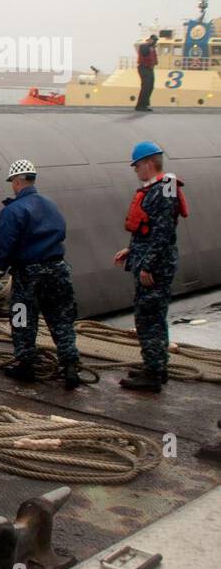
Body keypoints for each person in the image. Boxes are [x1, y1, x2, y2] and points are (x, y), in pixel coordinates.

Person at [0, 160, 82, 390]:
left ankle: (24, 363)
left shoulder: (13, 211)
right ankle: (69, 365)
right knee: (61, 319)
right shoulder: (50, 206)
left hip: (29, 274)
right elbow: (62, 231)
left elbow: (3, 247)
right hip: (58, 270)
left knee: (21, 318)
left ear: (17, 182)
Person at [114, 141, 188, 393]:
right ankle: (156, 366)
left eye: (137, 166)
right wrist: (132, 249)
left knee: (149, 319)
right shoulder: (156, 189)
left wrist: (147, 265)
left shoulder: (164, 189)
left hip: (156, 267)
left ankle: (153, 373)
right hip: (152, 260)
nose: (135, 171)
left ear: (148, 163)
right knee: (152, 317)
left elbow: (164, 232)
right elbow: (149, 229)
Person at [135, 34, 158, 112]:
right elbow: (144, 52)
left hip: (150, 68)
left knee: (150, 86)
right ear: (150, 40)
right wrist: (149, 46)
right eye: (154, 40)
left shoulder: (152, 48)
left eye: (155, 41)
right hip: (143, 67)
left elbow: (155, 60)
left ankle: (145, 104)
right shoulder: (144, 46)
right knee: (146, 86)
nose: (154, 42)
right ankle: (140, 105)